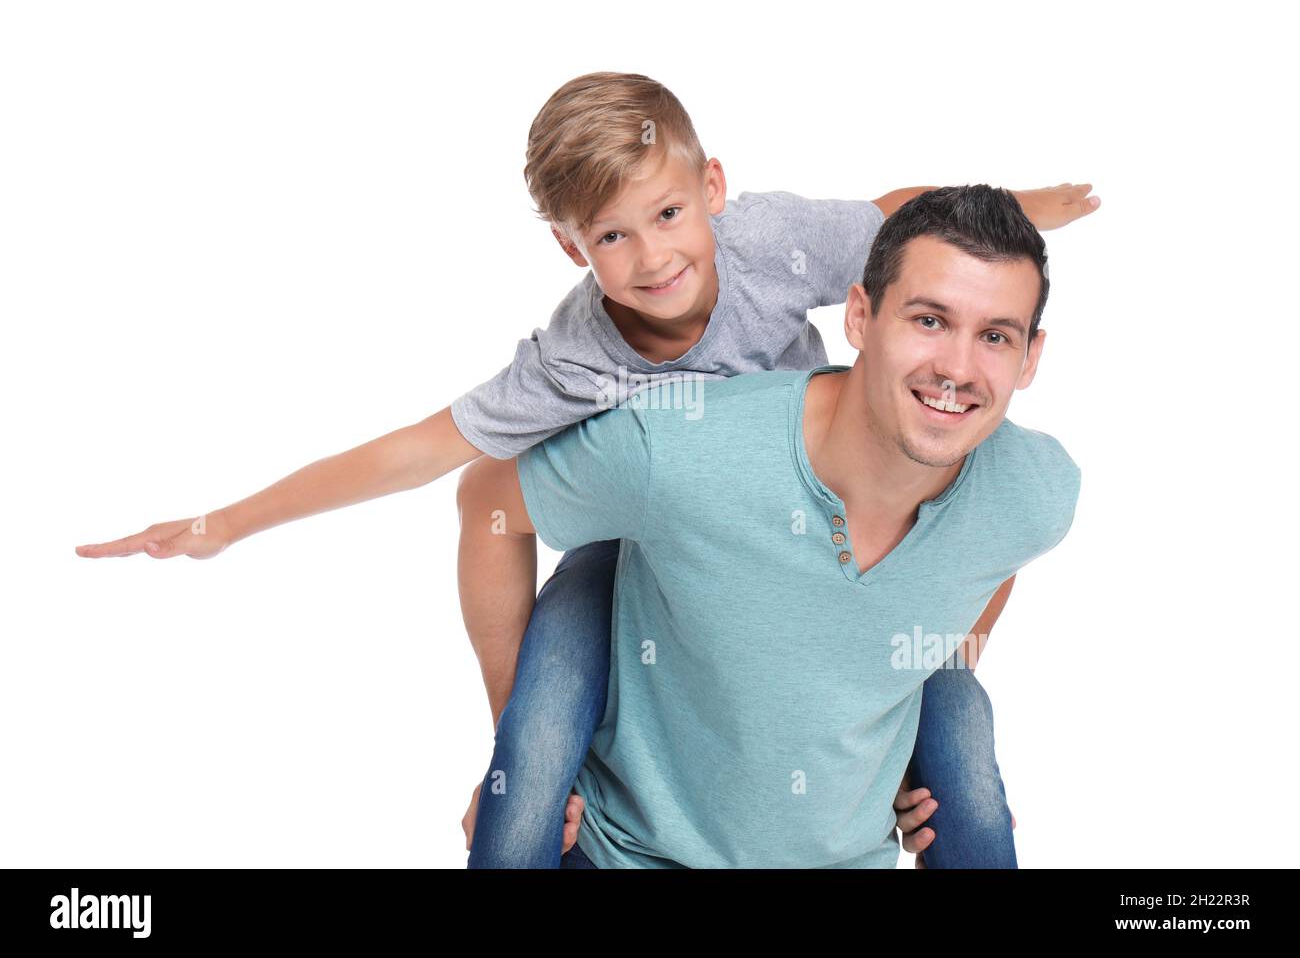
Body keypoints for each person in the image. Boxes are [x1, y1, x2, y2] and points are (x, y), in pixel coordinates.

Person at [73, 72, 1098, 867]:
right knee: (524, 784)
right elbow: (428, 458)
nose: (654, 259)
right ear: (572, 249)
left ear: (713, 189)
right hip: (638, 543)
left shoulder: (775, 246)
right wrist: (226, 523)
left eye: (667, 215)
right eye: (612, 235)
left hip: (820, 522)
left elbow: (906, 224)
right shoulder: (579, 357)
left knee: (966, 773)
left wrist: (1032, 202)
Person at [465, 184, 1082, 868]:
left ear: (1030, 358)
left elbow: (994, 554)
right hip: (630, 853)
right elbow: (490, 504)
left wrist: (909, 709)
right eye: (929, 320)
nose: (957, 370)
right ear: (859, 316)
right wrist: (518, 761)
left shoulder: (1035, 489)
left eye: (995, 335)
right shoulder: (676, 449)